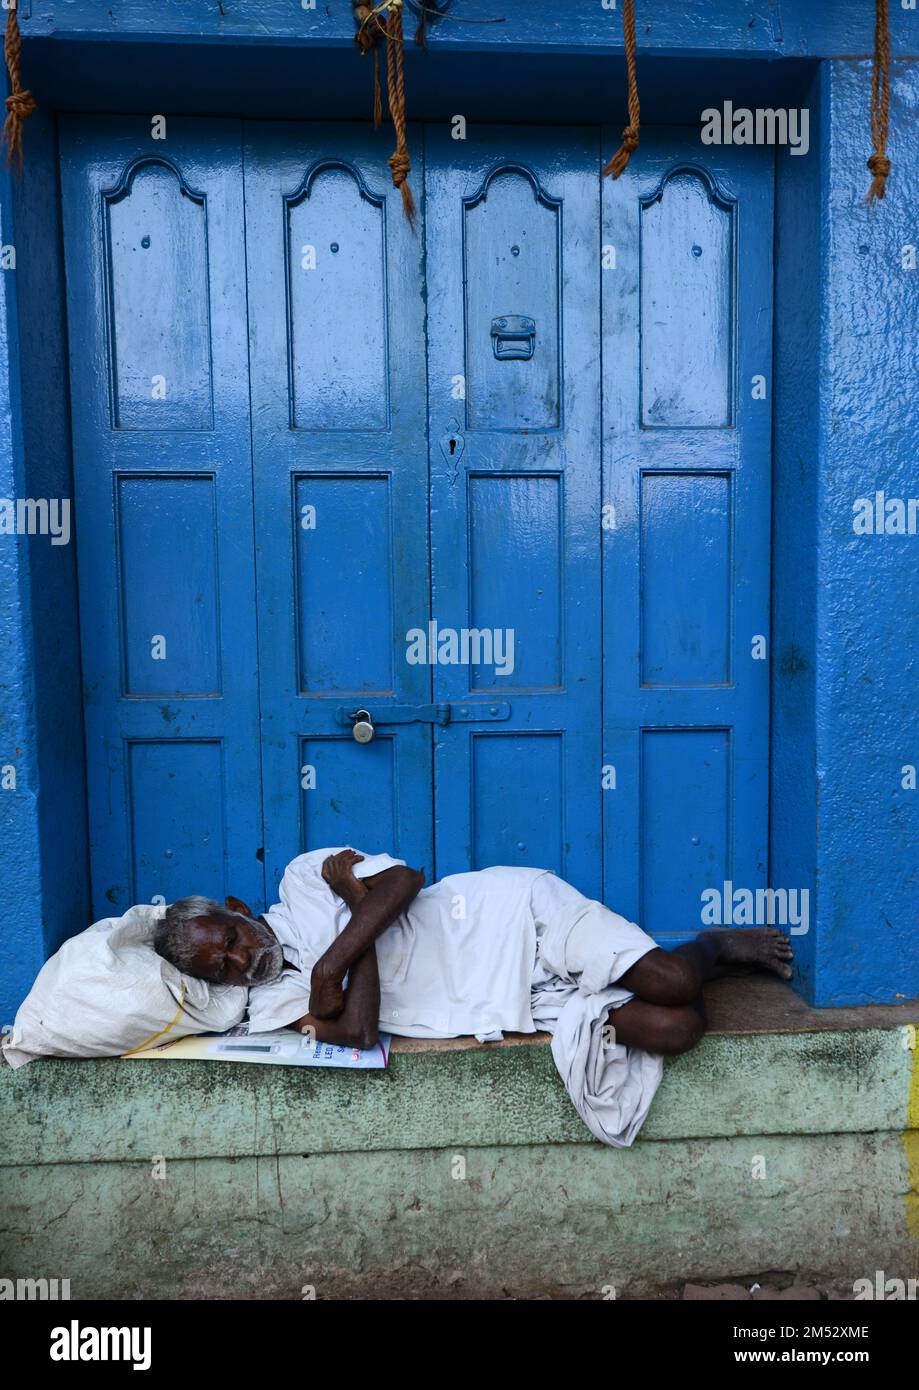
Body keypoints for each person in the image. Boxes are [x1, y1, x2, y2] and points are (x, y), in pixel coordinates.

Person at [153, 847, 793, 1147]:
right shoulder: (268, 1007)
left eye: (233, 937)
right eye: (225, 968)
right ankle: (667, 965)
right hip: (506, 1004)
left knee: (679, 983)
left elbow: (403, 880)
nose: (242, 958)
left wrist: (337, 953)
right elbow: (356, 1032)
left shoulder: (301, 882)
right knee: (676, 1031)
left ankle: (711, 948)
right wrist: (346, 943)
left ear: (239, 910)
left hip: (512, 919)